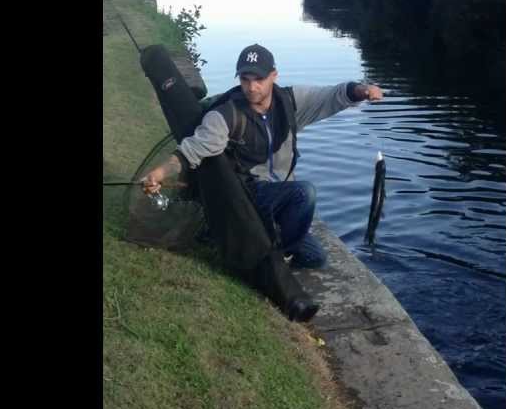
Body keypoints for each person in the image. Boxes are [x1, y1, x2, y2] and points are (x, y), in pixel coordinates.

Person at [142, 43, 383, 269]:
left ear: (273, 76)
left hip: (279, 195)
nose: (252, 87)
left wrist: (362, 90)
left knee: (315, 258)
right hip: (248, 195)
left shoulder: (289, 102)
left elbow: (333, 96)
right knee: (304, 192)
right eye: (245, 80)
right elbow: (192, 150)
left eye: (259, 79)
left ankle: (269, 240)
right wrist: (161, 172)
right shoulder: (226, 115)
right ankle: (274, 258)